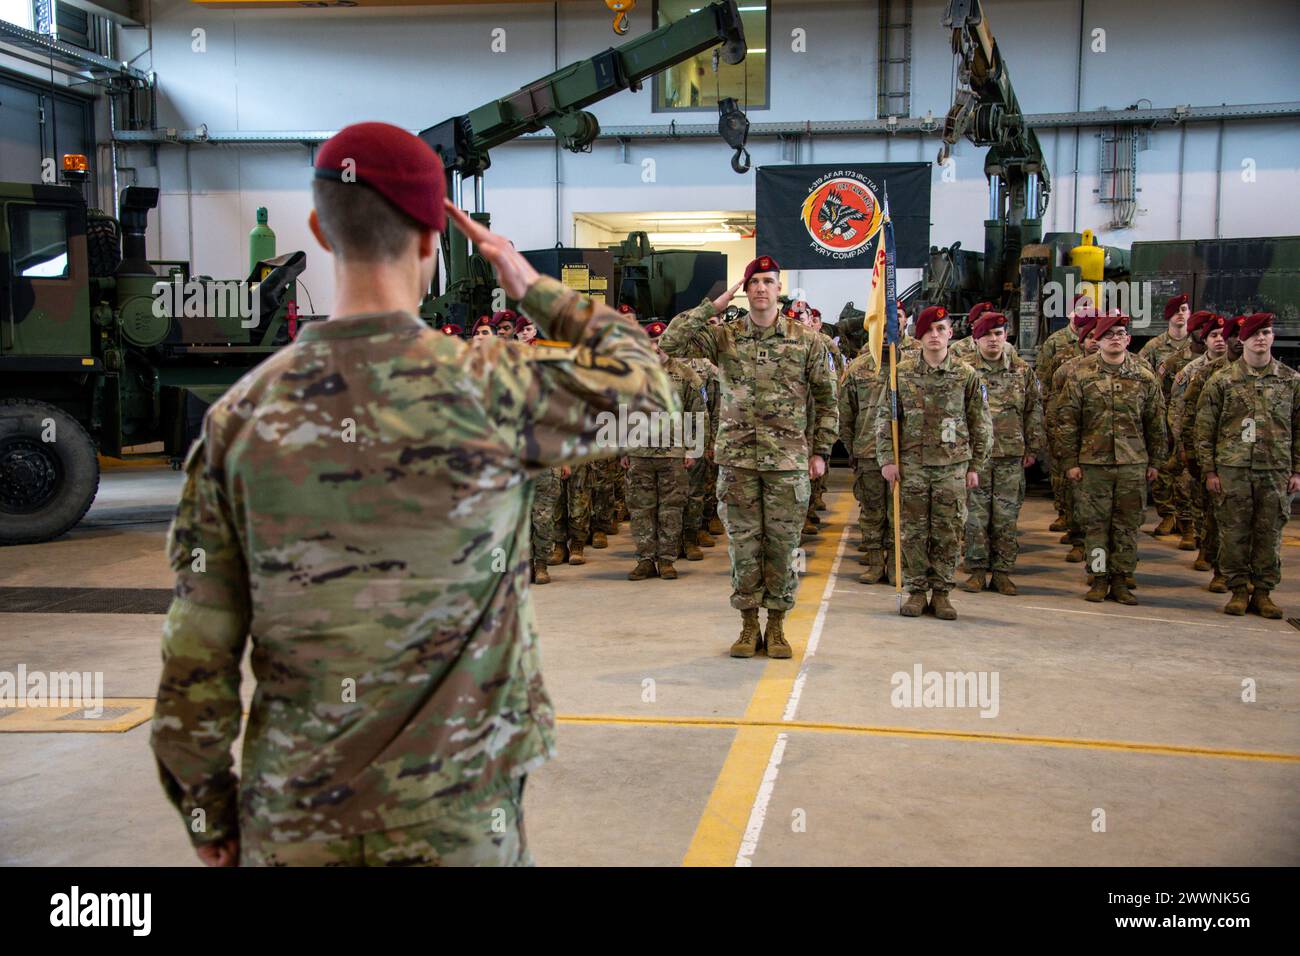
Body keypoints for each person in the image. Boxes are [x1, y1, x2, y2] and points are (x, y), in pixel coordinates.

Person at [149, 122, 673, 868]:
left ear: (317, 232)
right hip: (456, 818)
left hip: (298, 817)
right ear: (433, 237)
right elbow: (647, 390)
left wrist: (209, 814)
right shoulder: (488, 387)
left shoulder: (241, 420)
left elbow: (195, 657)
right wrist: (531, 287)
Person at [661, 255, 838, 659]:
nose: (760, 288)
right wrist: (715, 305)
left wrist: (822, 451)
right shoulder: (725, 337)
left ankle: (776, 626)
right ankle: (746, 626)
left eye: (768, 282)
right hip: (738, 462)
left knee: (783, 546)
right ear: (746, 289)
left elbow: (828, 400)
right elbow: (669, 342)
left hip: (787, 463)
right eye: (753, 281)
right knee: (743, 546)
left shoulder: (805, 341)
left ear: (779, 289)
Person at [878, 305, 992, 620]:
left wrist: (975, 466)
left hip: (952, 467)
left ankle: (942, 592)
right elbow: (884, 418)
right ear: (919, 335)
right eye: (928, 330)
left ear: (950, 333)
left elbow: (980, 422)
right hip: (912, 465)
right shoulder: (900, 374)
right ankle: (916, 591)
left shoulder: (967, 375)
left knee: (948, 530)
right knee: (912, 531)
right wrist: (887, 458)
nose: (934, 335)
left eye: (940, 329)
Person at [1194, 312, 1300, 618]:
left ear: (1273, 337)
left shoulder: (1290, 381)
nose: (1261, 339)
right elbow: (1205, 428)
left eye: (1266, 332)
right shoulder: (1222, 381)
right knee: (1234, 533)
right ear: (1242, 340)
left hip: (1275, 470)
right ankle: (1238, 590)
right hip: (1233, 470)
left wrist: (1296, 469)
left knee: (1270, 535)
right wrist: (1210, 470)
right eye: (1254, 334)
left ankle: (1263, 592)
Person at [1056, 312, 1166, 604]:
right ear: (1098, 340)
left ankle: (1121, 579)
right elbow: (1068, 422)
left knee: (1128, 525)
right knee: (1096, 525)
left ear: (1128, 340)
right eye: (1108, 335)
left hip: (1133, 464)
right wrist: (1070, 463)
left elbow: (1156, 423)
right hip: (1094, 464)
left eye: (1120, 334)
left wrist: (1156, 462)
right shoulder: (1081, 375)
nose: (1115, 339)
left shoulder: (1144, 378)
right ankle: (1099, 577)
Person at [958, 310, 1044, 595]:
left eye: (998, 334)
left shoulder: (1021, 371)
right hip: (976, 458)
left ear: (1006, 336)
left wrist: (1033, 447)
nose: (993, 340)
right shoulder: (965, 371)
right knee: (976, 518)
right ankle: (977, 571)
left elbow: (1033, 410)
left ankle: (1003, 572)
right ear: (976, 339)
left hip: (1010, 455)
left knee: (1006, 518)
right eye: (986, 335)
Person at [622, 321, 706, 580]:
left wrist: (694, 450)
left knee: (671, 508)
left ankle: (667, 560)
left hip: (673, 453)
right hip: (639, 452)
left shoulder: (686, 375)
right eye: (651, 341)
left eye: (660, 342)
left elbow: (698, 415)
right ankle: (645, 559)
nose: (655, 347)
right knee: (641, 509)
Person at [1170, 313, 1233, 589]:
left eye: (1223, 335)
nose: (1220, 340)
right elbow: (1182, 409)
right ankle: (1203, 544)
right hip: (1207, 451)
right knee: (1204, 502)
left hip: (1239, 457)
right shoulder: (1198, 372)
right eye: (1214, 335)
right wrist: (1183, 446)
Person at [1046, 310, 1101, 563]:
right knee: (1078, 497)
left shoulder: (1135, 370)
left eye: (1098, 336)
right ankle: (1079, 541)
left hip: (1115, 452)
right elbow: (1055, 406)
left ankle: (1103, 560)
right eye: (1089, 336)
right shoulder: (1067, 370)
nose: (1095, 341)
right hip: (1078, 447)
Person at [1140, 293, 1194, 539]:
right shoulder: (1155, 346)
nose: (1181, 314)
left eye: (1184, 309)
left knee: (1185, 468)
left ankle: (1187, 518)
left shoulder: (1196, 344)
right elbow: (1141, 373)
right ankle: (1167, 514)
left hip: (1187, 417)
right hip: (1162, 413)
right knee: (1162, 465)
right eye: (1176, 311)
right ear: (1168, 317)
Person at [839, 345, 893, 585]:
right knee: (872, 509)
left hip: (903, 454)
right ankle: (874, 562)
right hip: (868, 450)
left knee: (899, 512)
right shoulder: (858, 368)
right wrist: (852, 448)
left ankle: (894, 561)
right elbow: (846, 412)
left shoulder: (910, 365)